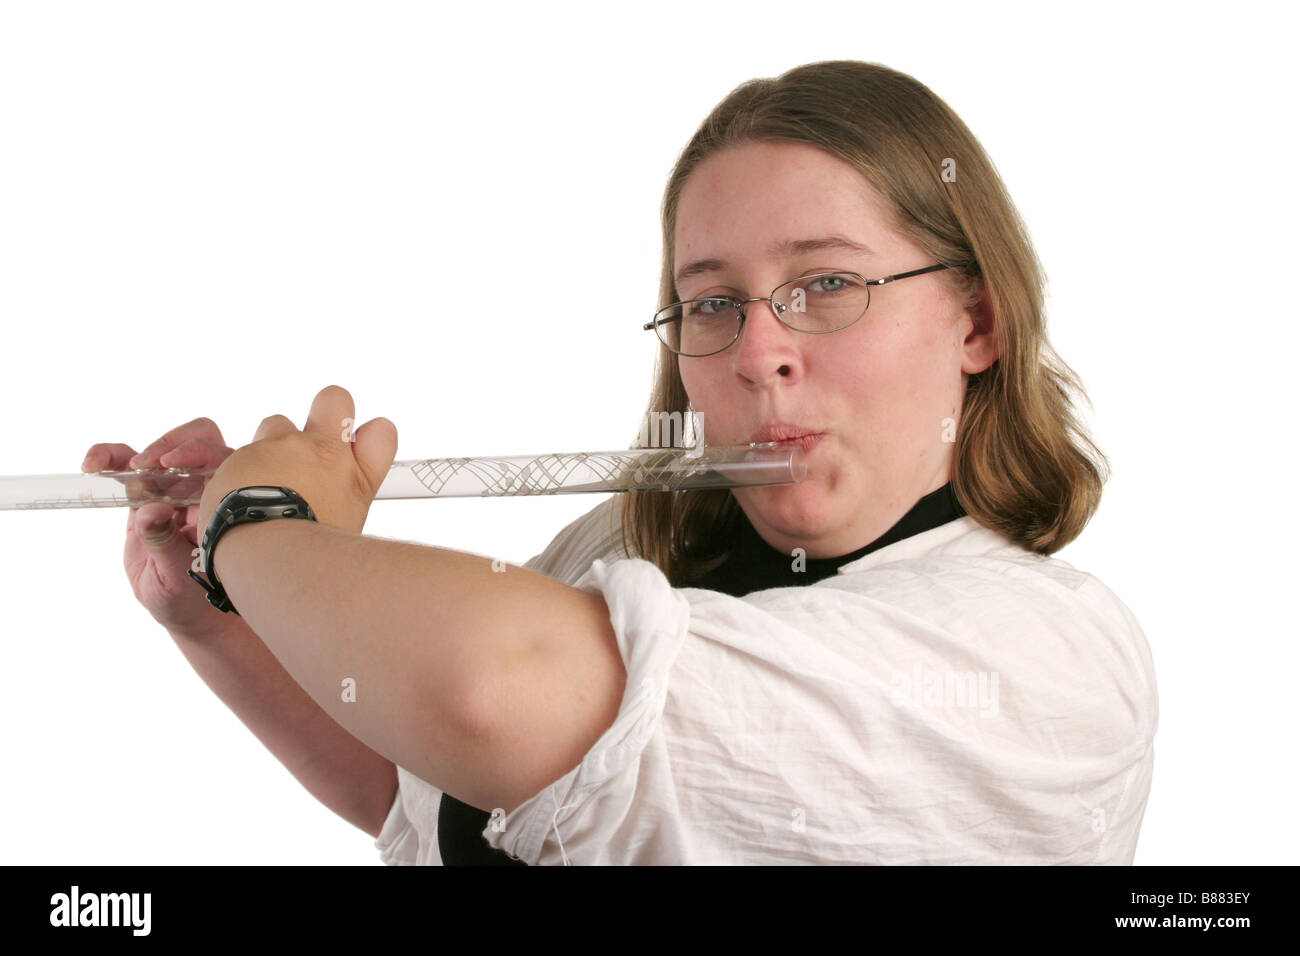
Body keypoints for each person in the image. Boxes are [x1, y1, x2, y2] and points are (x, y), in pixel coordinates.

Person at [83, 59, 1157, 866]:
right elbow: (415, 782)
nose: (756, 350)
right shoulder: (616, 552)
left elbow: (490, 692)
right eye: (711, 302)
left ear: (976, 321)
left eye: (826, 284)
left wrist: (265, 524)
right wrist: (218, 606)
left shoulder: (1048, 653)